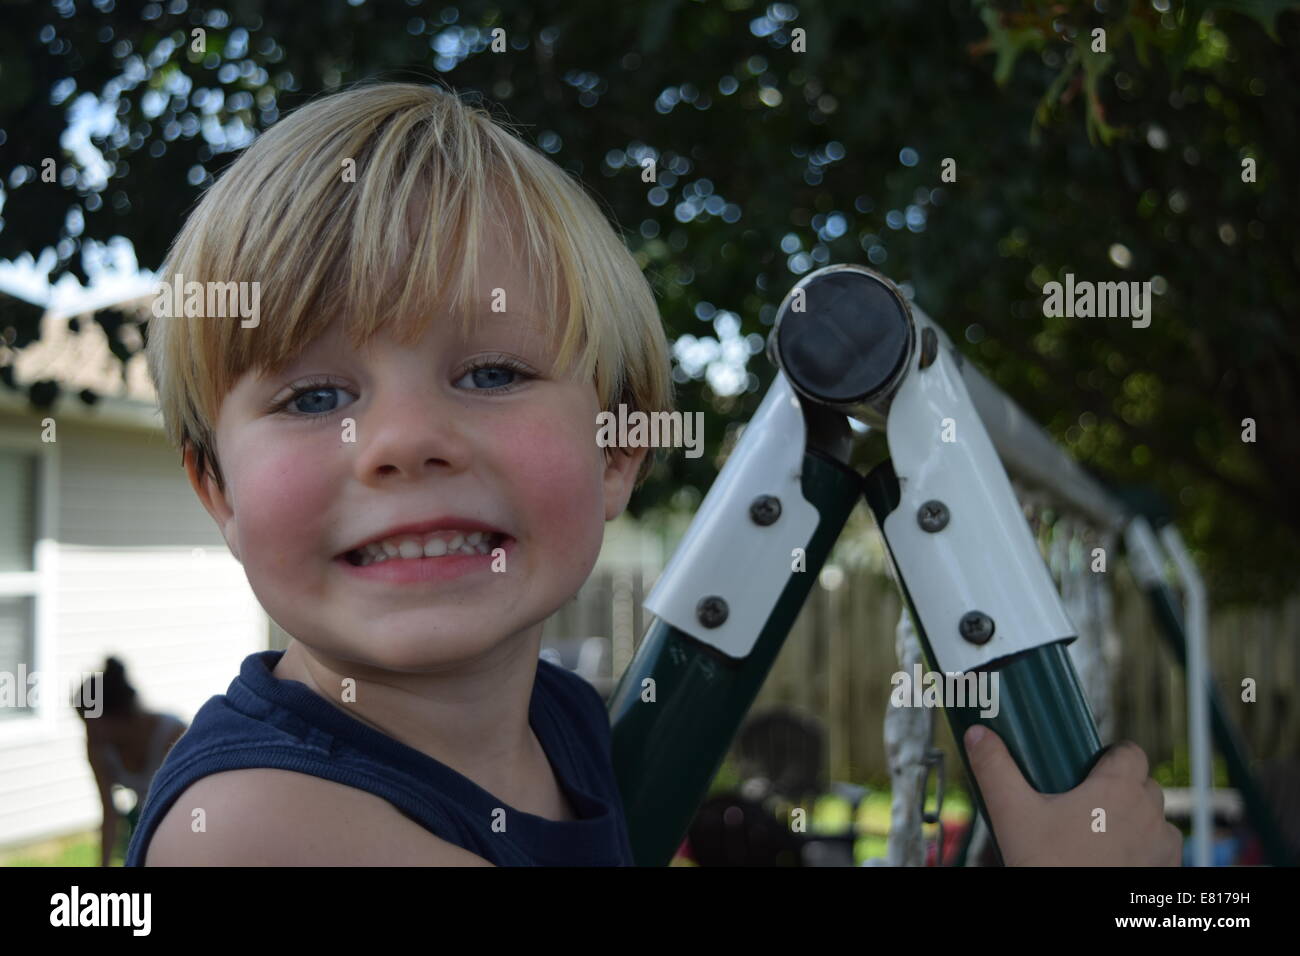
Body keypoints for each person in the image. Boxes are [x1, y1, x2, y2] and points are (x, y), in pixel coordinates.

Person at [127, 79, 1179, 866]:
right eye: (316, 397)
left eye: (490, 370)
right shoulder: (261, 828)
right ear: (216, 484)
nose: (403, 439)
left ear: (620, 446)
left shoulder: (568, 724)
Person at [73, 657, 187, 866]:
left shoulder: (173, 737)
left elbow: (182, 811)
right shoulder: (99, 746)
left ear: (119, 716)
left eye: (94, 724)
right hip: (143, 817)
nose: (89, 733)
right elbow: (109, 812)